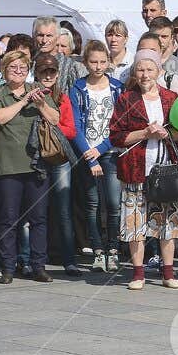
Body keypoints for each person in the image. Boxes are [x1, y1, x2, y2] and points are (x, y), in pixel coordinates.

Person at [0, 48, 73, 284]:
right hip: (7, 165)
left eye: (23, 68)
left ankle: (38, 266)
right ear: (4, 70)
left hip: (37, 165)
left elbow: (55, 119)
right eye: (13, 67)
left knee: (39, 218)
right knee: (8, 218)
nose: (18, 71)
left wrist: (42, 103)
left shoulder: (38, 91)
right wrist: (24, 101)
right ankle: (8, 267)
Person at [109, 51, 178, 290]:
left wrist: (167, 133)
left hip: (166, 171)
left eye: (150, 69)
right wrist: (145, 133)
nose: (145, 74)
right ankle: (138, 274)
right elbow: (117, 136)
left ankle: (168, 273)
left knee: (167, 223)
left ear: (159, 72)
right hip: (135, 170)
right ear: (134, 72)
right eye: (140, 69)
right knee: (135, 224)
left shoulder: (171, 98)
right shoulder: (126, 99)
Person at [70, 39, 122, 274]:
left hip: (110, 153)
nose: (98, 66)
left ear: (108, 63)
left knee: (113, 203)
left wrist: (100, 149)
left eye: (102, 62)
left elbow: (121, 125)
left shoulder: (117, 88)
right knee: (92, 203)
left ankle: (113, 250)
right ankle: (98, 250)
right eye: (93, 62)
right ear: (85, 62)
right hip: (86, 153)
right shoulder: (78, 88)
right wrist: (90, 157)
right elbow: (75, 125)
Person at [33, 55, 81, 274]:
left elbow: (71, 130)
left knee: (63, 210)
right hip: (34, 158)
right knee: (35, 211)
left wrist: (51, 128)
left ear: (58, 74)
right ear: (36, 73)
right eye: (44, 71)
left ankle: (69, 259)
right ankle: (33, 259)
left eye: (52, 72)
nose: (48, 76)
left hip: (59, 156)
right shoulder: (27, 94)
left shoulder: (62, 97)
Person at [34, 16, 86, 87]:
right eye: (40, 35)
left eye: (49, 36)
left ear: (57, 37)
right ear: (33, 36)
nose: (44, 40)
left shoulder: (71, 66)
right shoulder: (30, 63)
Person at [104, 19, 131, 83]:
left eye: (118, 35)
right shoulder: (101, 63)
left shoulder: (133, 62)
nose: (113, 39)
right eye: (110, 35)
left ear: (126, 39)